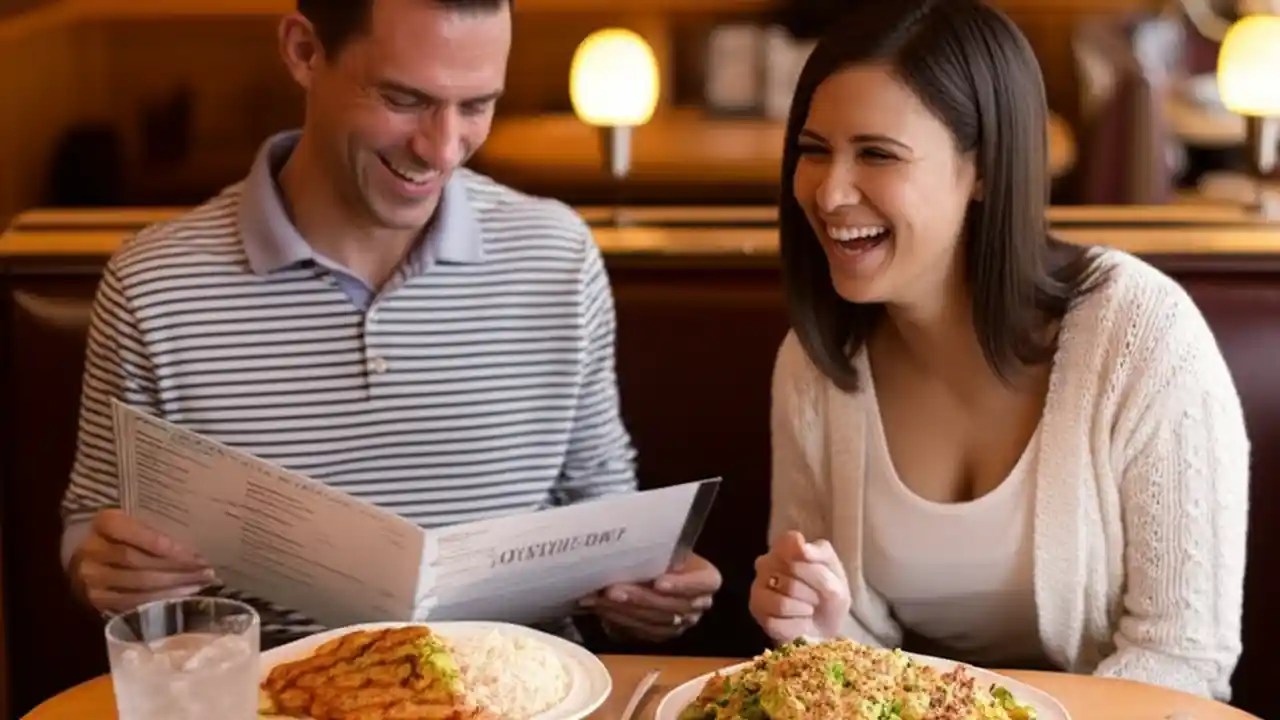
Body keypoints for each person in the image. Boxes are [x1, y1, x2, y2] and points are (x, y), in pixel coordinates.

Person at [60, 0, 720, 648]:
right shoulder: (153, 284)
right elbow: (91, 525)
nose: (442, 147)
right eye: (404, 100)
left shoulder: (559, 256)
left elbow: (605, 513)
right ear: (304, 51)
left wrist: (651, 595)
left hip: (522, 689)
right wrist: (103, 566)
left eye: (477, 105)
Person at [748, 0, 1249, 701]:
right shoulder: (814, 363)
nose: (828, 192)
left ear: (982, 169)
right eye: (812, 151)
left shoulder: (1141, 334)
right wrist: (821, 623)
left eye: (877, 154)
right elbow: (857, 676)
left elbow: (1184, 661)